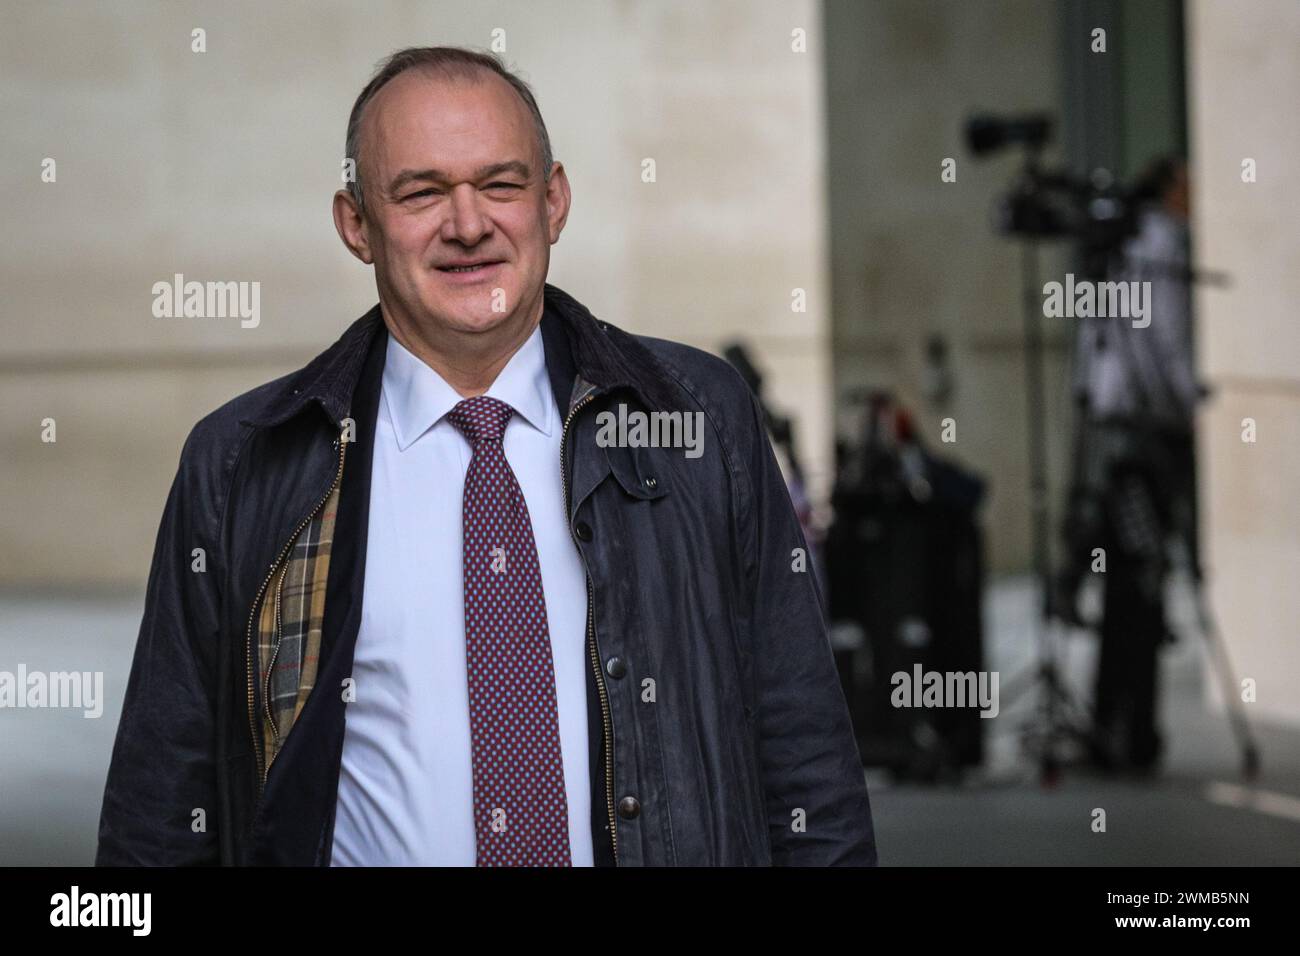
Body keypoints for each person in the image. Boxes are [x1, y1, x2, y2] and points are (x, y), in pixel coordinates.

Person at [94, 46, 876, 866]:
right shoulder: (242, 464)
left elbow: (804, 757)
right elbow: (161, 807)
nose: (468, 225)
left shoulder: (695, 419)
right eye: (422, 192)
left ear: (554, 201)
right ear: (356, 223)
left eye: (500, 184)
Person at [1067, 156, 1202, 772]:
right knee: (1140, 589)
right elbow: (1169, 344)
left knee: (1122, 587)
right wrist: (1190, 404)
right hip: (1146, 444)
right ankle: (1133, 732)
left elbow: (1095, 358)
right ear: (1171, 189)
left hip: (1111, 437)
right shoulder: (1158, 247)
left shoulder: (1119, 248)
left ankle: (1110, 725)